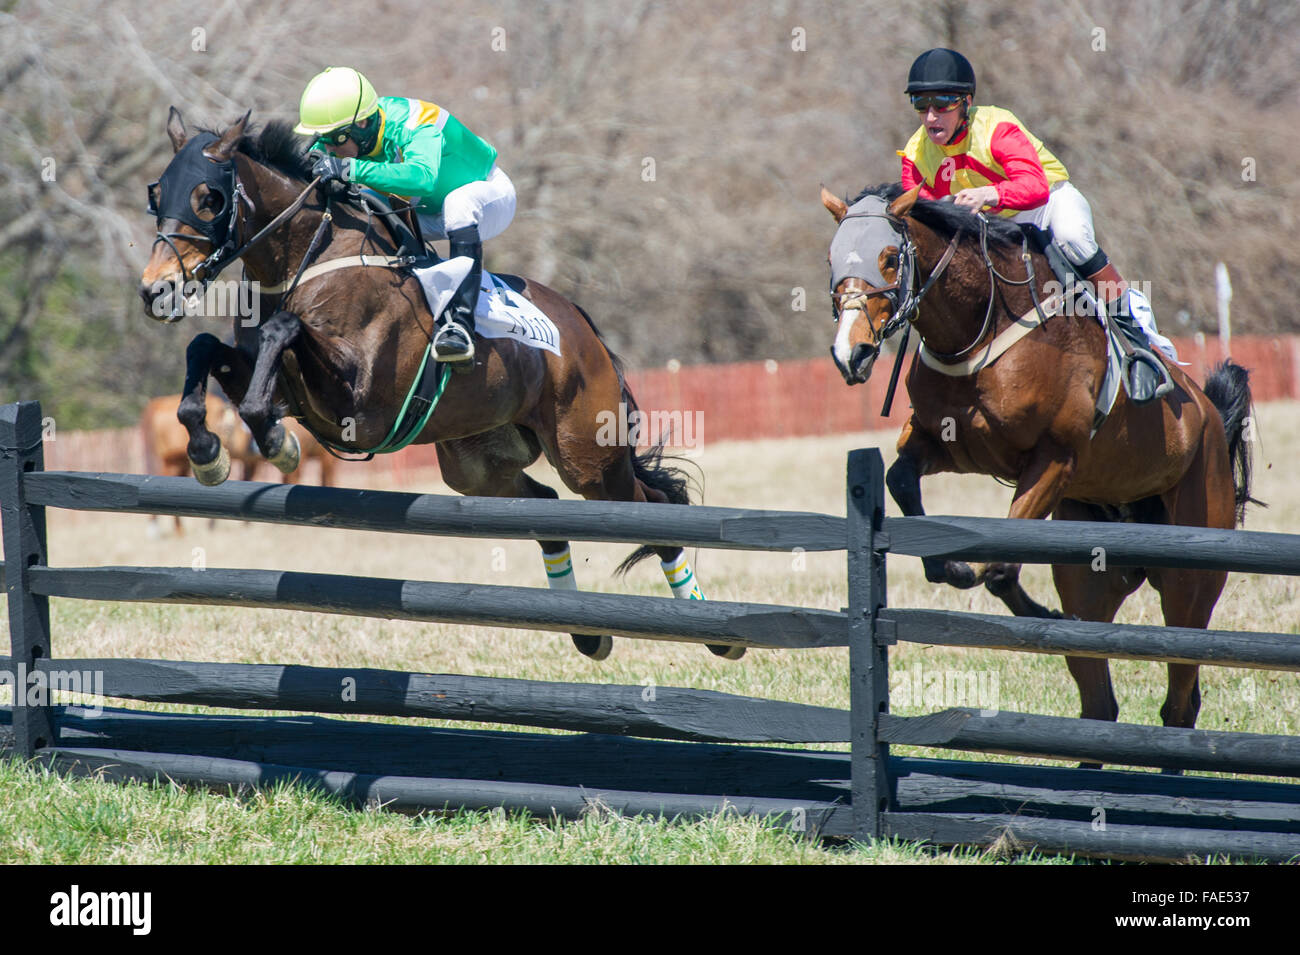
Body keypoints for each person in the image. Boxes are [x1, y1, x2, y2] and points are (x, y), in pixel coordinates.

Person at [898, 48, 1174, 402]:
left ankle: (1140, 345)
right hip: (992, 226)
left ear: (966, 102)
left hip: (1046, 206)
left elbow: (1035, 188)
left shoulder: (996, 128)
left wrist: (990, 194)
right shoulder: (915, 153)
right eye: (921, 104)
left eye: (943, 103)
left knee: (1075, 239)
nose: (931, 115)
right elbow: (919, 219)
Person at [294, 66, 516, 364]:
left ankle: (460, 324)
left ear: (362, 123)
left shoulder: (416, 122)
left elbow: (423, 178)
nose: (329, 148)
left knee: (457, 204)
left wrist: (351, 169)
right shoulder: (348, 131)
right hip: (422, 212)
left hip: (489, 197)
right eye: (324, 139)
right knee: (364, 211)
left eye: (335, 139)